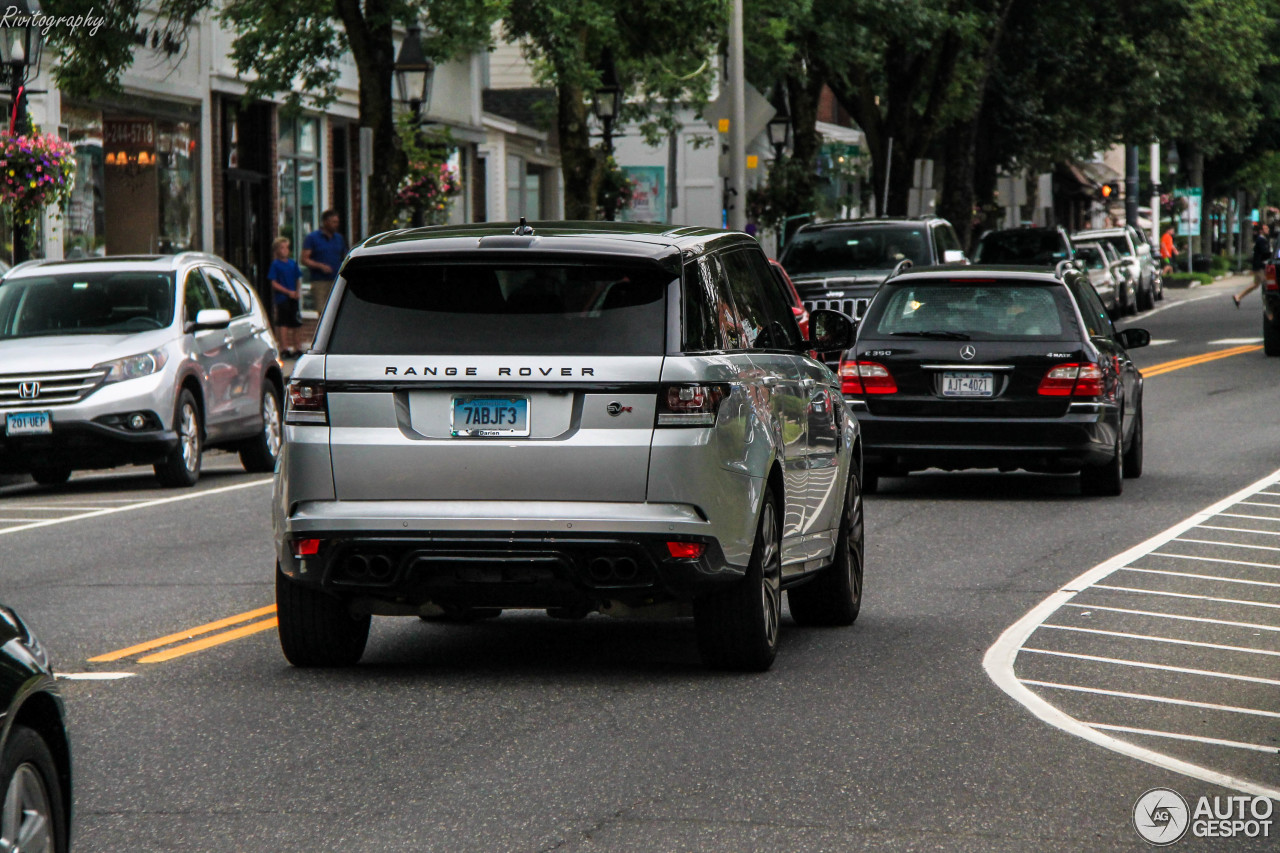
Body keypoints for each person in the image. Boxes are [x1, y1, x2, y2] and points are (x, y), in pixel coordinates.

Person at [301, 209, 347, 315]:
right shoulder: (312, 238)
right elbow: (304, 259)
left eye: (337, 222)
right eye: (333, 222)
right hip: (319, 281)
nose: (336, 225)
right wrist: (320, 266)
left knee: (336, 310)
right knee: (322, 311)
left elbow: (344, 255)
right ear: (325, 222)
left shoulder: (339, 238)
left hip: (336, 279)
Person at [268, 236, 303, 357]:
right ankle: (284, 348)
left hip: (293, 297)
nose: (285, 250)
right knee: (283, 323)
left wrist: (297, 292)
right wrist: (288, 292)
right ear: (277, 250)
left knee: (296, 323)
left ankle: (297, 347)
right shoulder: (276, 265)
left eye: (286, 248)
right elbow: (273, 282)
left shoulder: (292, 264)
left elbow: (297, 278)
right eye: (282, 248)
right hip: (282, 298)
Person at [1234, 223, 1270, 307]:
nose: (1268, 230)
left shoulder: (1262, 240)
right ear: (1261, 231)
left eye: (1267, 228)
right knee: (1267, 284)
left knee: (1256, 284)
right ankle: (1268, 304)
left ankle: (1238, 296)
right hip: (1259, 267)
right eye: (1265, 229)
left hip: (1259, 266)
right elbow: (1264, 253)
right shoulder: (1261, 240)